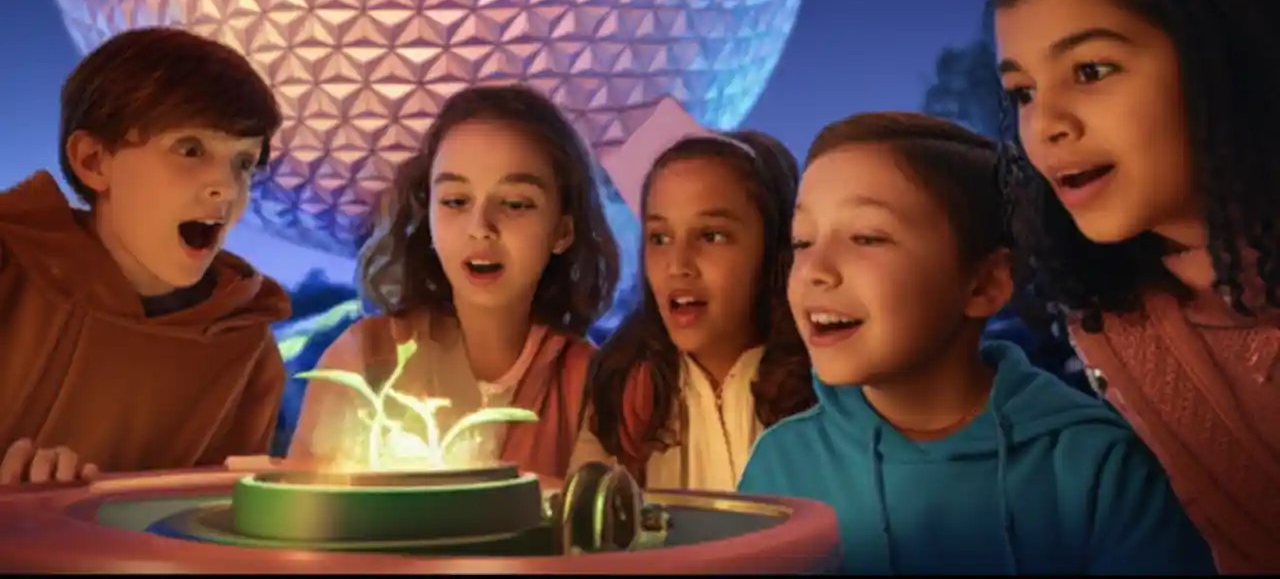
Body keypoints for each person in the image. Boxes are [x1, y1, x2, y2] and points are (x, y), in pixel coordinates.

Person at [739, 112, 1215, 575]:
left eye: (867, 237)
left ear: (985, 285)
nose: (815, 270)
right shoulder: (782, 462)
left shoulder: (1093, 466)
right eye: (802, 242)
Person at [992, 0, 1280, 572]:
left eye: (1091, 71)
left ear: (1224, 58)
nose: (1048, 123)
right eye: (1023, 93)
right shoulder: (1113, 321)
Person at [0, 27, 290, 484]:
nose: (227, 188)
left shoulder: (246, 350)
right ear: (94, 161)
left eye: (244, 162)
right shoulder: (10, 272)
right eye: (190, 149)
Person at [289, 85, 619, 479]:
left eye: (515, 204)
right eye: (455, 202)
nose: (481, 229)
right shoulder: (364, 360)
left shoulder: (589, 384)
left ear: (563, 229)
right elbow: (302, 515)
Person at [573, 131, 814, 490]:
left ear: (775, 246)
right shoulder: (622, 395)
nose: (678, 265)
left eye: (712, 236)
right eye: (660, 238)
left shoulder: (825, 394)